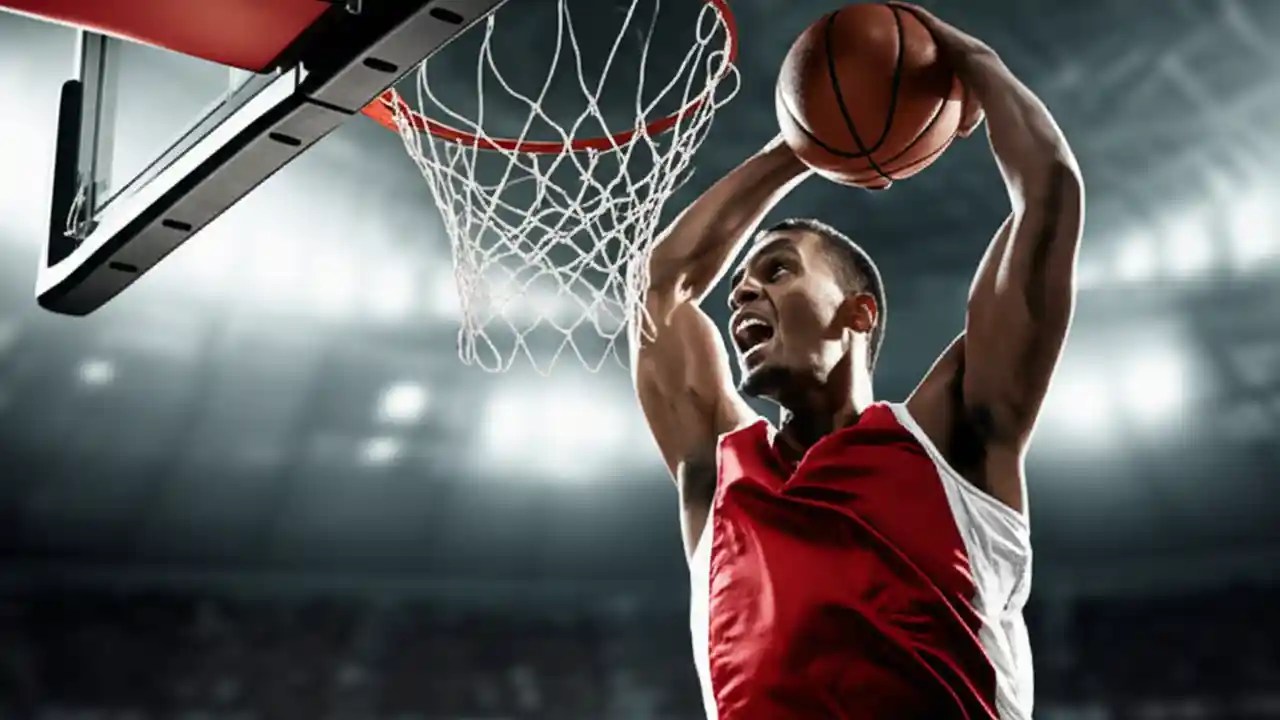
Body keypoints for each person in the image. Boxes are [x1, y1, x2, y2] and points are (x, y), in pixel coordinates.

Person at [629, 5, 1084, 719]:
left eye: (778, 270)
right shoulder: (719, 473)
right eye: (743, 281)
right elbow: (659, 289)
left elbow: (1048, 195)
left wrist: (974, 65)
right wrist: (805, 144)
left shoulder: (952, 438)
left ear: (858, 314)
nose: (741, 291)